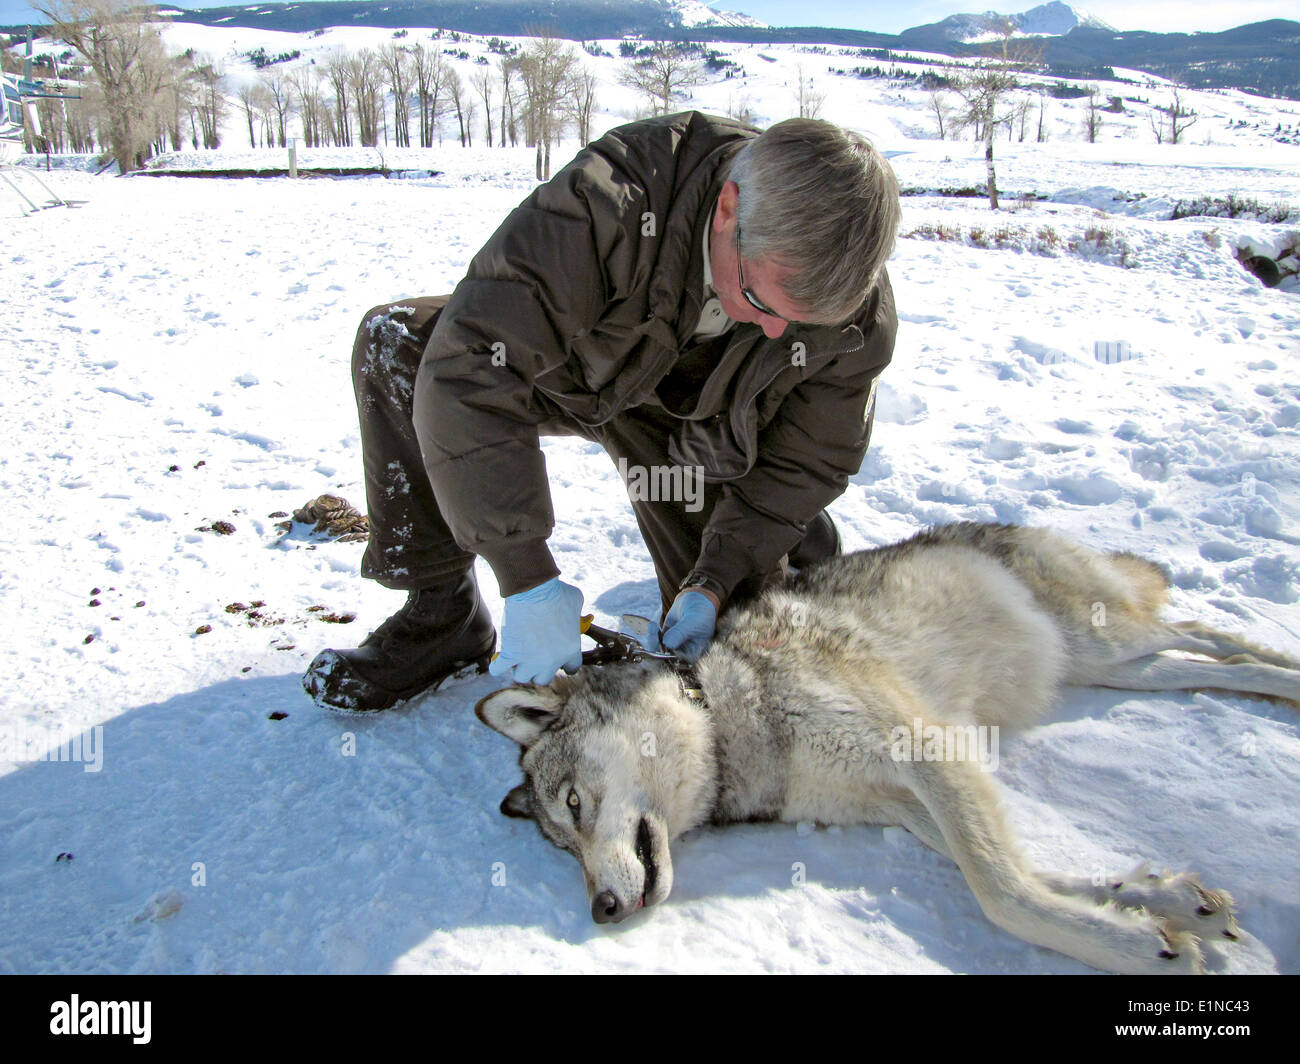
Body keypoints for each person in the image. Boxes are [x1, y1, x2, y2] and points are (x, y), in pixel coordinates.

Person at [303, 110, 900, 711]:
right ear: (727, 210)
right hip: (577, 371)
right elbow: (475, 356)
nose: (773, 328)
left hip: (697, 435)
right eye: (755, 298)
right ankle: (443, 613)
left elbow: (805, 464)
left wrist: (718, 577)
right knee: (401, 343)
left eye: (795, 323)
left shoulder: (852, 311)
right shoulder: (612, 198)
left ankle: (778, 544)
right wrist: (526, 579)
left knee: (732, 665)